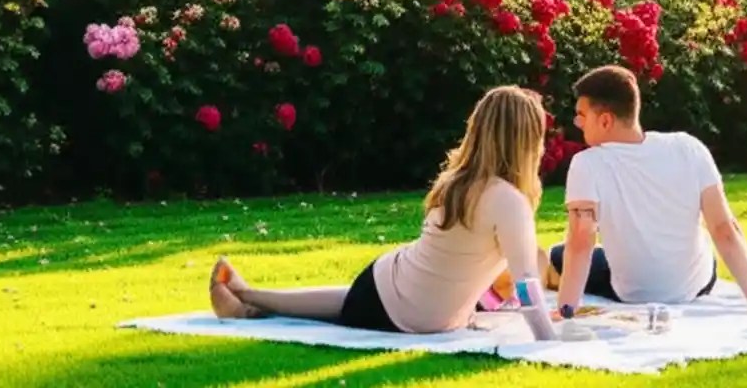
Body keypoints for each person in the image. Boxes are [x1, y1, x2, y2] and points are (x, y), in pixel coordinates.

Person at [208, 85, 557, 340]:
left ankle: (249, 297)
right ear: (526, 140)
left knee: (346, 303)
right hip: (399, 302)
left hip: (392, 291)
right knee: (345, 306)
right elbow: (526, 281)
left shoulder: (460, 183)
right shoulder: (508, 199)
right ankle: (248, 299)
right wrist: (548, 341)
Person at [547, 65, 747, 316]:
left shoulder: (587, 164)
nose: (578, 123)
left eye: (582, 116)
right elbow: (725, 229)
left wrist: (565, 312)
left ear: (605, 120)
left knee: (558, 254)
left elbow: (580, 241)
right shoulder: (688, 147)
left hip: (633, 293)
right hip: (696, 284)